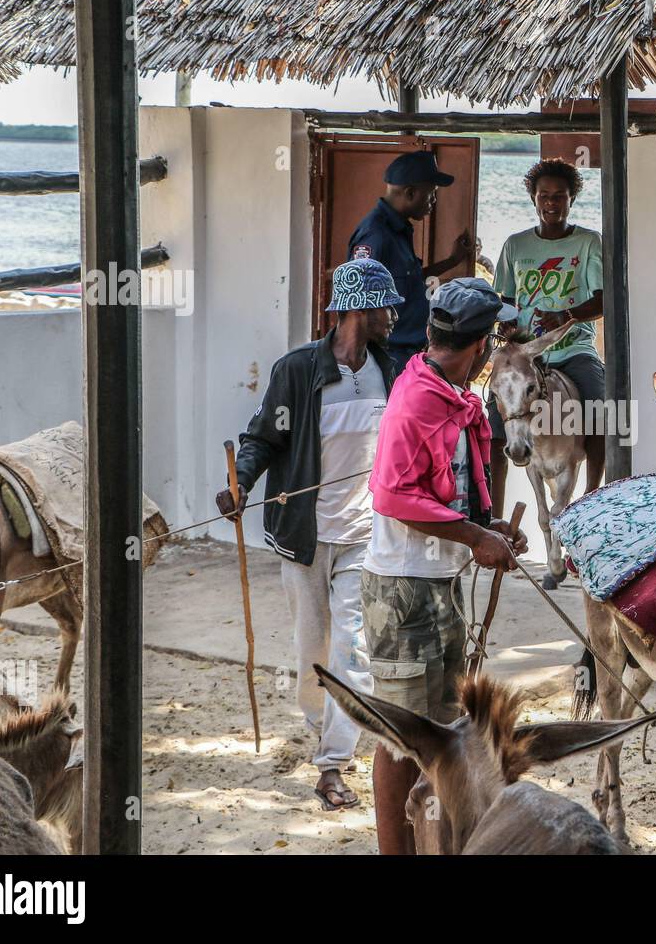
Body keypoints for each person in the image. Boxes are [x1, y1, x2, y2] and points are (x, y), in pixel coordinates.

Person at [217, 258, 400, 811]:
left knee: (354, 648)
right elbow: (261, 439)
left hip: (365, 534)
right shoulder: (297, 371)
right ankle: (326, 728)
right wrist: (240, 484)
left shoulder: (390, 368)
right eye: (384, 305)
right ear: (356, 310)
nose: (394, 315)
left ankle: (332, 765)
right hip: (303, 535)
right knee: (311, 652)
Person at [363, 276, 527, 854]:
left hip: (442, 582)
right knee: (400, 735)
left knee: (441, 726)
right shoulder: (415, 402)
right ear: (481, 348)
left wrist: (491, 529)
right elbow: (395, 496)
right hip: (404, 589)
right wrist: (474, 536)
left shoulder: (455, 395)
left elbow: (454, 493)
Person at [488, 157, 606, 516]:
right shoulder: (515, 246)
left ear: (572, 199)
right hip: (527, 355)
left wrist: (567, 315)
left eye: (560, 196)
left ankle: (591, 497)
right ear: (533, 198)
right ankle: (495, 514)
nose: (551, 203)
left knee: (602, 411)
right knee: (495, 419)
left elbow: (603, 299)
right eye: (544, 196)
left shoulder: (588, 243)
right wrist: (506, 326)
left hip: (574, 349)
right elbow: (505, 301)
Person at [347, 149, 472, 373]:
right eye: (431, 193)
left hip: (407, 354)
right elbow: (358, 301)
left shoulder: (399, 229)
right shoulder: (376, 235)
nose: (434, 200)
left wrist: (453, 260)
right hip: (387, 358)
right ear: (411, 193)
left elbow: (410, 280)